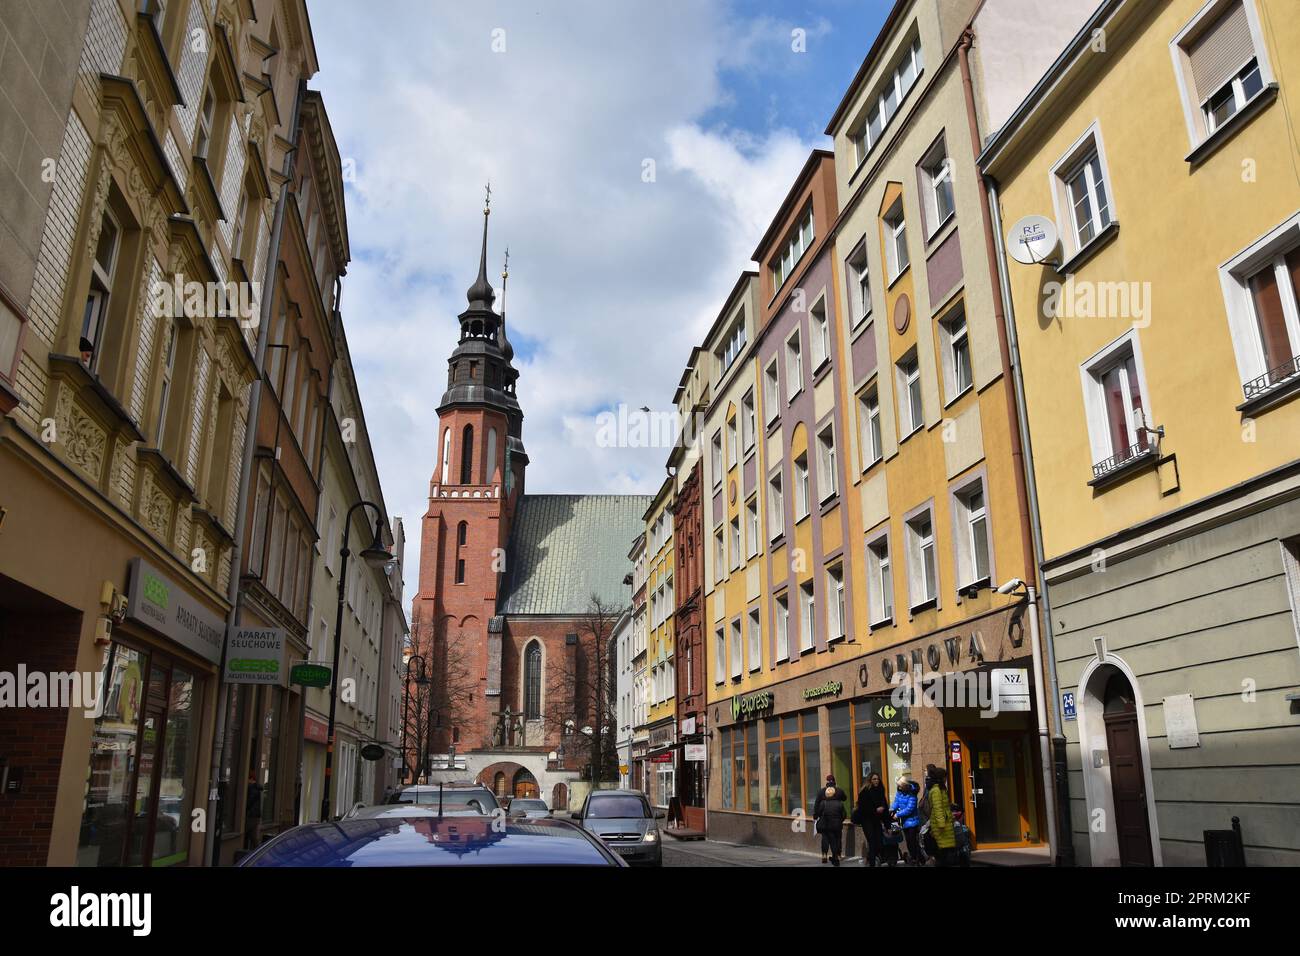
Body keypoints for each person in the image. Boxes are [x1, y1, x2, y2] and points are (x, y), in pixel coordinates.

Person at [925, 766, 957, 866]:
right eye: (945, 777)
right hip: (941, 826)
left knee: (946, 851)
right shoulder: (936, 790)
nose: (946, 780)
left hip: (945, 824)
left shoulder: (940, 789)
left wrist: (950, 818)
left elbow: (944, 807)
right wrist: (942, 824)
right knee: (943, 852)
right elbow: (938, 808)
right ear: (941, 778)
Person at [813, 774, 848, 866]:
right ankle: (838, 855)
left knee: (825, 837)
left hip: (825, 821)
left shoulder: (821, 792)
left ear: (827, 781)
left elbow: (817, 804)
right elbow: (845, 799)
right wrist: (841, 819)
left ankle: (824, 854)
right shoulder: (839, 791)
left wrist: (816, 816)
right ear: (834, 781)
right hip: (837, 820)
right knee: (837, 837)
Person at [855, 772, 889, 866]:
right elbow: (863, 807)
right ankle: (872, 863)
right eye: (874, 779)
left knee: (879, 842)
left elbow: (885, 806)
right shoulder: (865, 791)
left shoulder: (881, 790)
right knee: (872, 841)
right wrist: (876, 810)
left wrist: (887, 824)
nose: (876, 781)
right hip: (867, 820)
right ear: (870, 780)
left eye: (877, 779)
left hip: (877, 821)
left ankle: (869, 858)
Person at [890, 773, 923, 865]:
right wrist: (891, 809)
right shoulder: (899, 792)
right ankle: (916, 858)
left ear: (904, 785)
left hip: (912, 821)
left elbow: (910, 809)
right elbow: (896, 802)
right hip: (905, 822)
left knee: (912, 842)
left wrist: (898, 814)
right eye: (898, 786)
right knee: (908, 842)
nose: (899, 788)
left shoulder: (912, 794)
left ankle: (917, 858)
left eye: (900, 786)